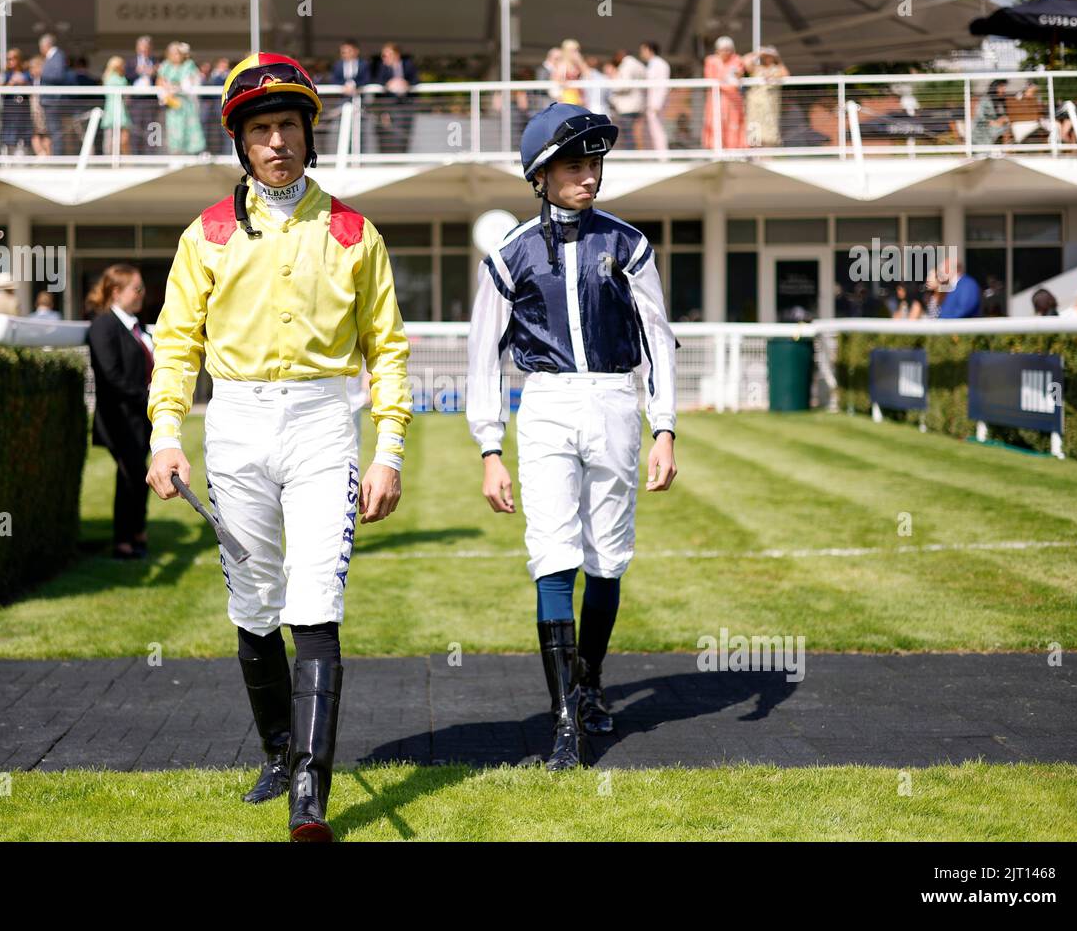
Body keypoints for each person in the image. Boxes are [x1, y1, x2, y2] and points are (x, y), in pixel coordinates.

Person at [144, 51, 411, 841]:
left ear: (308, 133)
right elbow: (176, 345)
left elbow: (386, 349)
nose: (276, 142)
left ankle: (310, 795)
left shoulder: (356, 231)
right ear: (242, 142)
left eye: (288, 125)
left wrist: (389, 448)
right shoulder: (208, 235)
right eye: (260, 129)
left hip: (326, 422)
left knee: (316, 601)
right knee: (255, 603)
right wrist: (166, 436)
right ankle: (276, 752)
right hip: (235, 425)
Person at [466, 102, 678, 771]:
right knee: (551, 550)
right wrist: (489, 449)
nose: (588, 176)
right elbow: (482, 358)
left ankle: (588, 683)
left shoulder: (630, 245)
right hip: (548, 404)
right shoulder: (510, 256)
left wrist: (664, 428)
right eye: (573, 166)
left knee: (607, 558)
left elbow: (661, 343)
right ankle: (565, 723)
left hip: (616, 399)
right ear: (541, 174)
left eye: (594, 164)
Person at [88, 265, 154, 561]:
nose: (141, 295)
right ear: (117, 292)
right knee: (130, 477)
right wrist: (147, 394)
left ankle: (137, 533)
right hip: (119, 420)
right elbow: (111, 376)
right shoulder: (104, 325)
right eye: (136, 289)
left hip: (138, 419)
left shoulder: (134, 325)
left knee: (138, 477)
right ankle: (124, 542)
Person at [157, 41, 206, 155]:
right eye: (173, 53)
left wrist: (178, 87)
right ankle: (176, 155)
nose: (176, 56)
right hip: (172, 104)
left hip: (187, 103)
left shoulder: (189, 65)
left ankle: (191, 155)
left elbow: (192, 81)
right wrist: (167, 90)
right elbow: (160, 80)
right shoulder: (165, 66)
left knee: (189, 129)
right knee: (174, 130)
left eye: (178, 53)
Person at [702, 36, 746, 150]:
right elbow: (710, 78)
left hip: (732, 102)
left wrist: (724, 82)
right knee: (715, 124)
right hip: (716, 100)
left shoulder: (736, 59)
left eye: (728, 49)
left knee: (733, 125)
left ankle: (734, 149)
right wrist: (725, 82)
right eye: (723, 49)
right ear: (717, 50)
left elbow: (737, 76)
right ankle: (716, 150)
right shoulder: (710, 60)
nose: (726, 52)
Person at [743, 45, 788, 148]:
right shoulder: (757, 69)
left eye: (770, 56)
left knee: (769, 136)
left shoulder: (777, 69)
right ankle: (755, 159)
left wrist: (777, 63)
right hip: (755, 107)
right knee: (754, 136)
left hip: (770, 108)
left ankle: (767, 159)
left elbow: (785, 74)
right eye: (766, 56)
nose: (767, 58)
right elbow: (745, 62)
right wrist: (757, 53)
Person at [607, 48, 647, 147]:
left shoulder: (626, 65)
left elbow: (624, 85)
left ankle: (630, 153)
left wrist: (612, 86)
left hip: (627, 106)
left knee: (628, 132)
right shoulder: (638, 65)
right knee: (635, 132)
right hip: (638, 104)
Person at [39, 33, 70, 156]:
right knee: (52, 129)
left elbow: (58, 75)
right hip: (49, 100)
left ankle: (58, 156)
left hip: (53, 100)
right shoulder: (52, 57)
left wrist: (41, 73)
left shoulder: (57, 56)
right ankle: (56, 154)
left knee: (55, 129)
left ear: (45, 45)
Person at [638, 40, 671, 151]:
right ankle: (657, 153)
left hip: (657, 104)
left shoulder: (660, 64)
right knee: (652, 130)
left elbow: (662, 85)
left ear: (648, 50)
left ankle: (662, 154)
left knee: (658, 129)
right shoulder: (653, 64)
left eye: (643, 50)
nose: (641, 53)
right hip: (652, 103)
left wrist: (657, 104)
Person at [101, 56, 131, 156]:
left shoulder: (107, 77)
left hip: (114, 108)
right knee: (119, 138)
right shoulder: (115, 78)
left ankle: (118, 159)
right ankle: (122, 160)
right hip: (116, 108)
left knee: (117, 138)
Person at [972, 79, 1010, 148]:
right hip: (984, 125)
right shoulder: (985, 99)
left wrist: (1004, 119)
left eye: (1004, 86)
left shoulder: (1001, 100)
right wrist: (991, 122)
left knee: (1006, 126)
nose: (1004, 89)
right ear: (995, 87)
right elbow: (979, 116)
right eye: (1001, 86)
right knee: (1001, 128)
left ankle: (1005, 151)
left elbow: (1004, 114)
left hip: (998, 124)